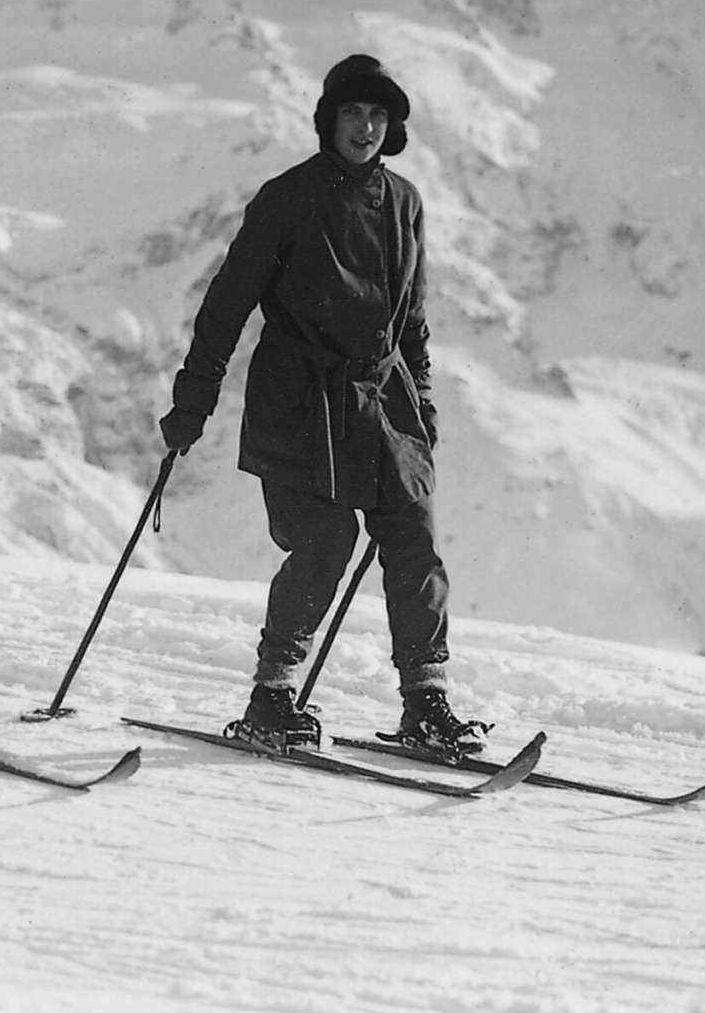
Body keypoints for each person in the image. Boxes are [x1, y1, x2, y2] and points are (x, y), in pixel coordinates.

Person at [158, 52, 484, 758]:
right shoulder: (288, 197)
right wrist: (195, 396)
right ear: (328, 121)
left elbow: (413, 321)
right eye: (352, 114)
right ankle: (271, 695)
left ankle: (425, 702)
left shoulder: (406, 203)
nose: (365, 127)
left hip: (383, 404)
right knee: (325, 540)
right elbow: (228, 303)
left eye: (377, 116)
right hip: (301, 404)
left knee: (413, 537)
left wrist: (421, 411)